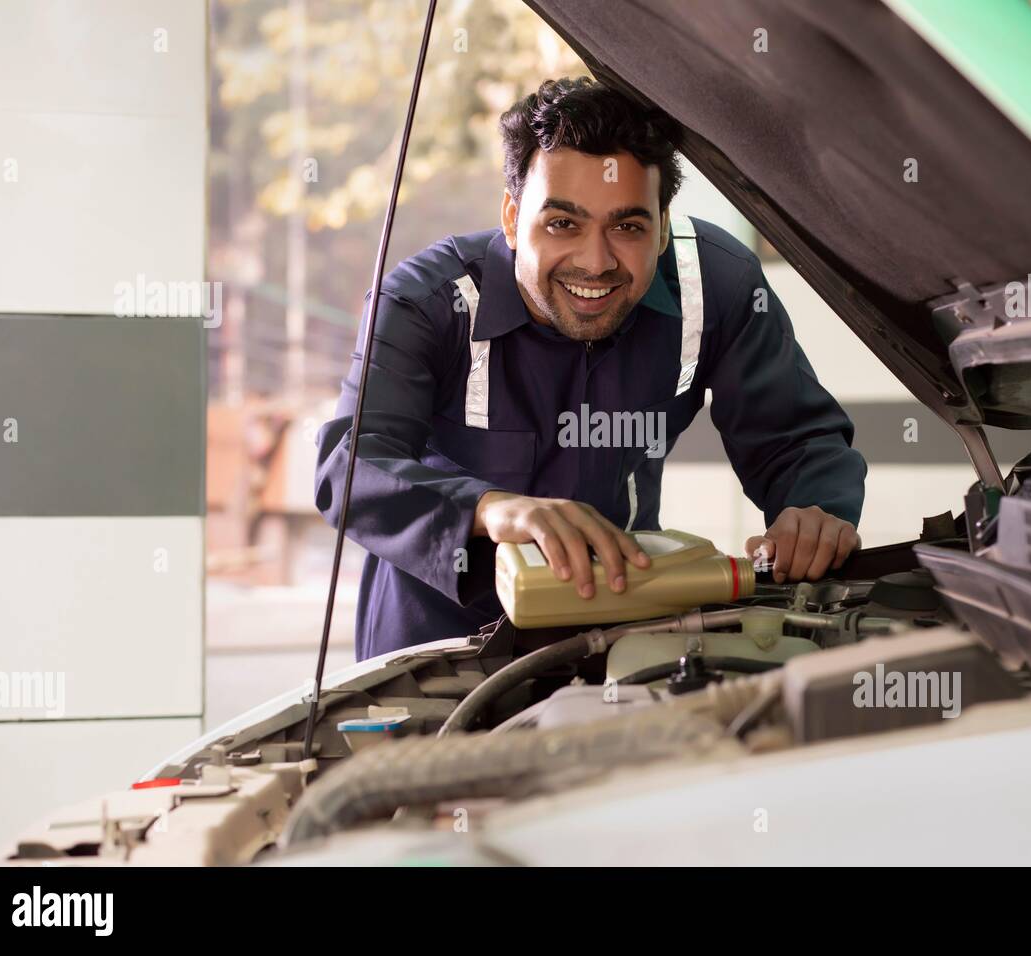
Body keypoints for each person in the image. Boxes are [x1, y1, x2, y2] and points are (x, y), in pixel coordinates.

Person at [316, 77, 866, 660]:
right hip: (436, 657)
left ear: (661, 225)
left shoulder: (717, 288)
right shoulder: (430, 302)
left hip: (622, 638)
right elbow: (348, 465)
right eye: (562, 224)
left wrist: (815, 511)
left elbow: (796, 440)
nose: (596, 261)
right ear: (511, 217)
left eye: (628, 227)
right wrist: (491, 508)